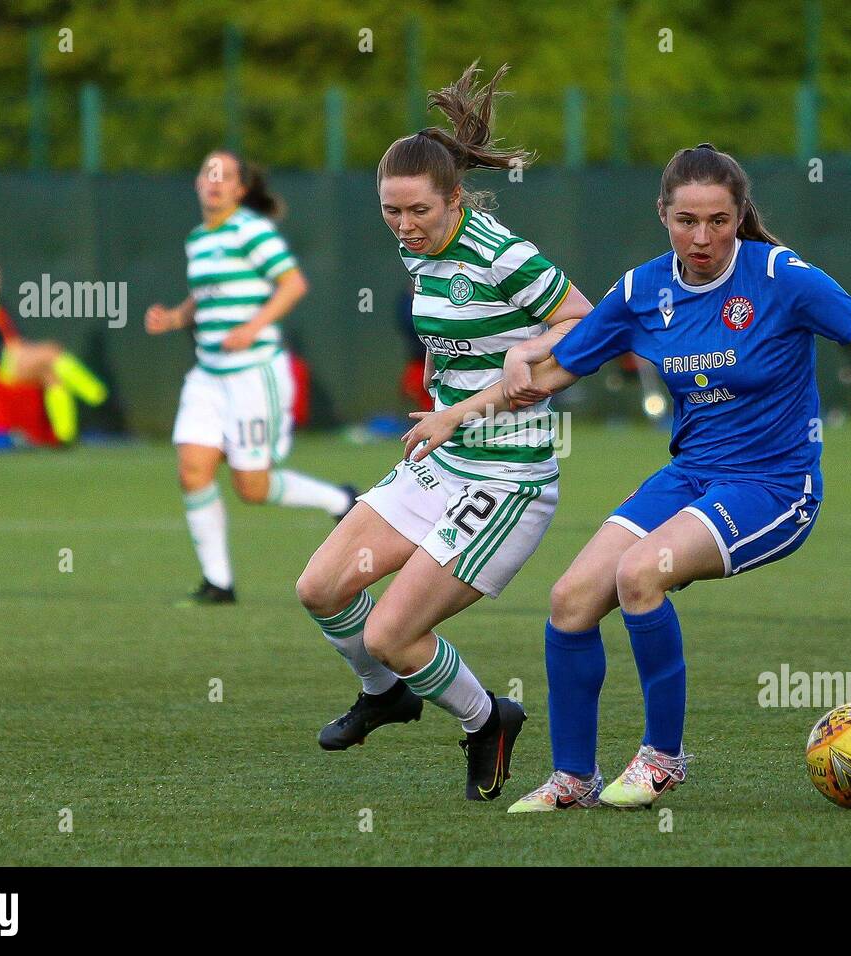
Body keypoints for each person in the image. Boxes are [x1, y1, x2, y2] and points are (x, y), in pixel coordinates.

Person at [403, 144, 851, 811]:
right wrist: (457, 412)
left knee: (640, 573)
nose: (703, 238)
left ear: (739, 215)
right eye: (687, 220)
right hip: (690, 476)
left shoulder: (781, 277)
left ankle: (664, 758)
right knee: (571, 598)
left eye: (718, 221)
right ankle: (573, 779)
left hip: (775, 487)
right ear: (663, 214)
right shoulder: (642, 290)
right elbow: (550, 372)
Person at [294, 62, 593, 802]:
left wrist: (516, 365)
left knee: (394, 633)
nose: (404, 225)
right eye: (391, 211)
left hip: (508, 476)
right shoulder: (418, 248)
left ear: (454, 198)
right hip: (443, 460)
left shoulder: (503, 255)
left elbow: (585, 324)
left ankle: (487, 718)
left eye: (418, 211)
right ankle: (386, 695)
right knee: (322, 589)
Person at [145, 150, 357, 606]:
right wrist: (176, 317)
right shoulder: (199, 238)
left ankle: (339, 499)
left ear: (241, 189)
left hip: (252, 375)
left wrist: (253, 327)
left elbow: (293, 284)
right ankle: (218, 582)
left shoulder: (252, 230)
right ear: (198, 184)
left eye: (225, 176)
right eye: (207, 173)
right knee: (193, 470)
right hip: (208, 375)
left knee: (252, 489)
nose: (215, 181)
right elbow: (207, 294)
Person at [0, 261, 108, 443]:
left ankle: (65, 435)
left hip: (15, 359)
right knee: (51, 351)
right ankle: (98, 398)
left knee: (51, 375)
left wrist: (16, 346)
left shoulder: (0, 308)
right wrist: (0, 349)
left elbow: (16, 336)